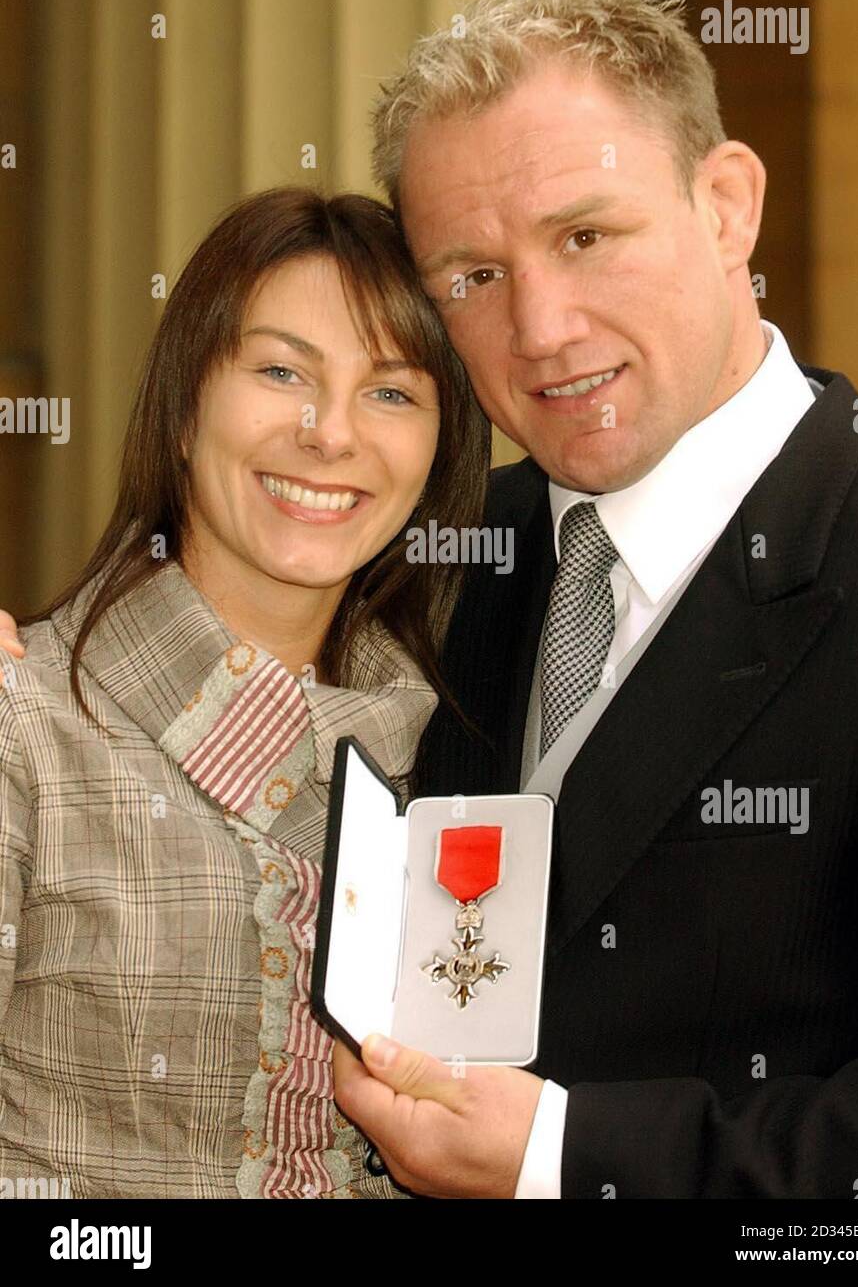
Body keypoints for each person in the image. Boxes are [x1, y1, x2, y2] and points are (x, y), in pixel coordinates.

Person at [323, 0, 858, 1198]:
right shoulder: (434, 559)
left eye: (583, 235)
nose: (538, 326)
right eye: (471, 277)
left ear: (726, 206)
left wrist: (557, 1157)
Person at [0, 185, 491, 1198]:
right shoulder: (27, 728)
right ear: (184, 409)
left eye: (392, 391)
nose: (329, 434)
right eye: (280, 371)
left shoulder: (450, 748)